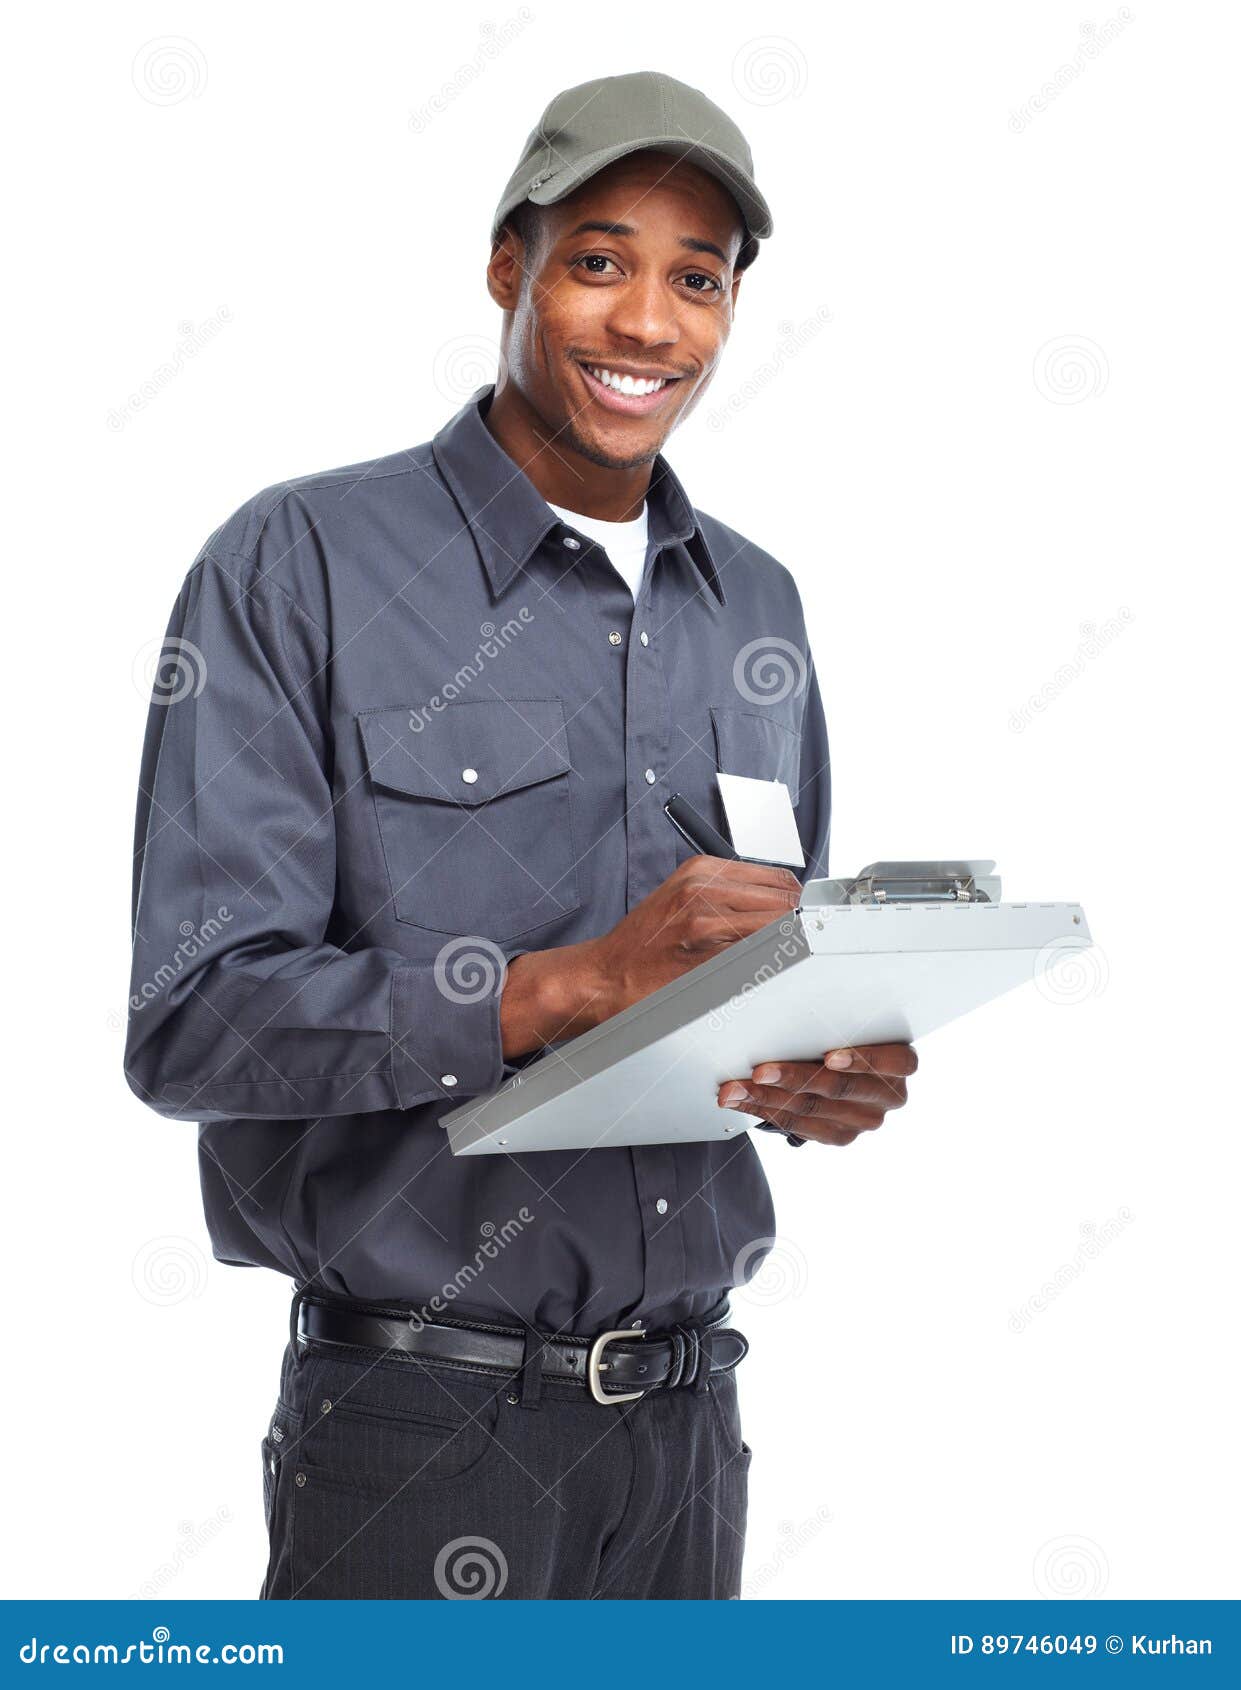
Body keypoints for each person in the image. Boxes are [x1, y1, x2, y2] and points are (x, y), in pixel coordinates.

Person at [125, 70, 917, 1601]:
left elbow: (748, 977)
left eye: (698, 279)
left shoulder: (755, 608)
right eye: (600, 261)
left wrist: (810, 1070)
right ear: (510, 267)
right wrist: (565, 983)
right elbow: (195, 1022)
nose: (646, 325)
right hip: (417, 1427)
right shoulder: (298, 561)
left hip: (690, 1431)